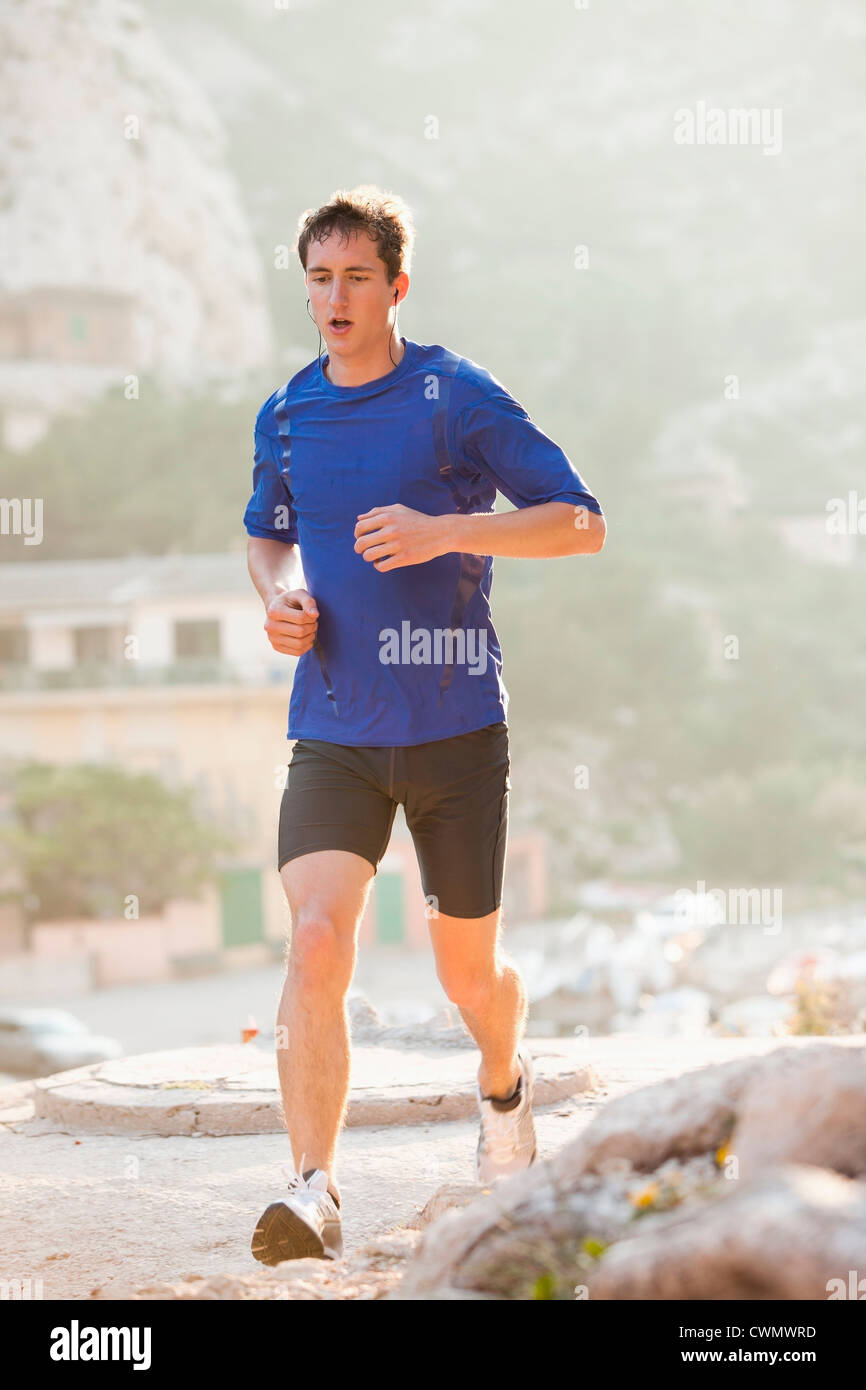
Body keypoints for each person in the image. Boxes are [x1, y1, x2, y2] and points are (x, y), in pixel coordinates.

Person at [244, 185, 605, 1264]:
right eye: (319, 276)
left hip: (453, 729)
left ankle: (501, 1082)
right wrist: (281, 595)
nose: (336, 296)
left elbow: (580, 523)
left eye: (357, 276)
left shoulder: (455, 394)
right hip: (336, 729)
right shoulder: (286, 412)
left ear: (396, 286)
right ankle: (313, 1190)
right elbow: (267, 536)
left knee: (466, 981)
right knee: (315, 940)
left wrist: (450, 527)